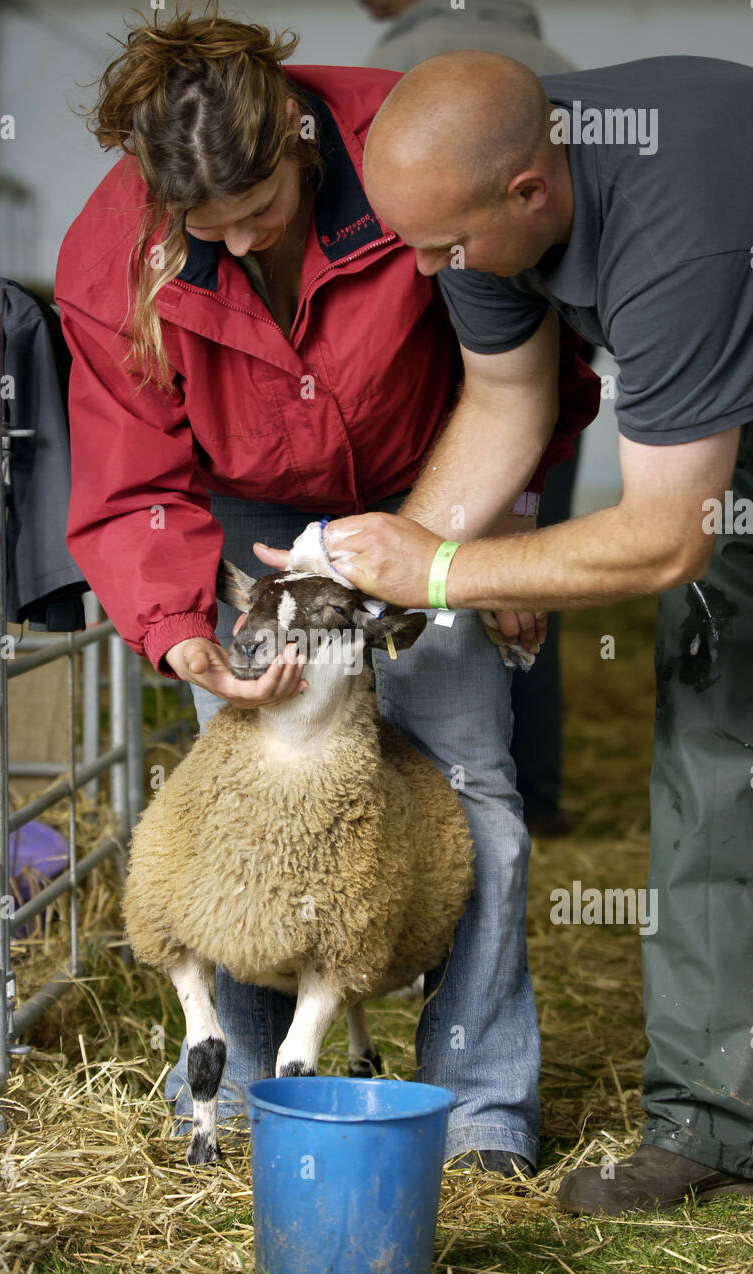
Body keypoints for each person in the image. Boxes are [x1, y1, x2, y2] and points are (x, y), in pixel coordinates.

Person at [54, 9, 598, 1176]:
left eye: (260, 208)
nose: (241, 241)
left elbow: (521, 342)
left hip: (437, 481)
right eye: (209, 226)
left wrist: (507, 517)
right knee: (250, 791)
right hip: (250, 513)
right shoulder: (115, 256)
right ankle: (247, 1096)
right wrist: (177, 631)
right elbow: (128, 473)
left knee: (472, 781)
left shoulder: (407, 148)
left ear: (297, 138)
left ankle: (479, 1108)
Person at [290, 49, 753, 1212]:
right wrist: (374, 591)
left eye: (443, 248)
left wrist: (449, 567)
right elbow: (506, 401)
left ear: (532, 192)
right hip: (724, 427)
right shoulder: (481, 212)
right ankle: (712, 1121)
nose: (426, 271)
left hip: (709, 430)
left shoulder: (675, 227)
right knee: (715, 732)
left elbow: (667, 539)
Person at [357, 0, 586, 836]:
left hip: (435, 390)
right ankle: (535, 796)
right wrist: (513, 514)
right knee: (521, 583)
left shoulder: (398, 76)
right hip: (540, 379)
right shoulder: (549, 69)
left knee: (462, 585)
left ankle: (417, 799)